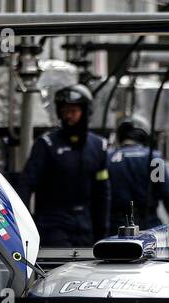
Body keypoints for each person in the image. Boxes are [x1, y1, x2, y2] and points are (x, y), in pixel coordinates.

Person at [17, 83, 110, 247]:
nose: (68, 116)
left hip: (85, 225)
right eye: (65, 111)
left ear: (85, 112)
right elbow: (26, 184)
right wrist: (23, 224)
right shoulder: (46, 144)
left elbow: (102, 190)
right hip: (52, 224)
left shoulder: (98, 146)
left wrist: (103, 229)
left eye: (73, 111)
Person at [106, 115, 169, 233]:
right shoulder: (154, 159)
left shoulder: (109, 159)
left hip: (117, 229)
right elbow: (168, 197)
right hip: (149, 227)